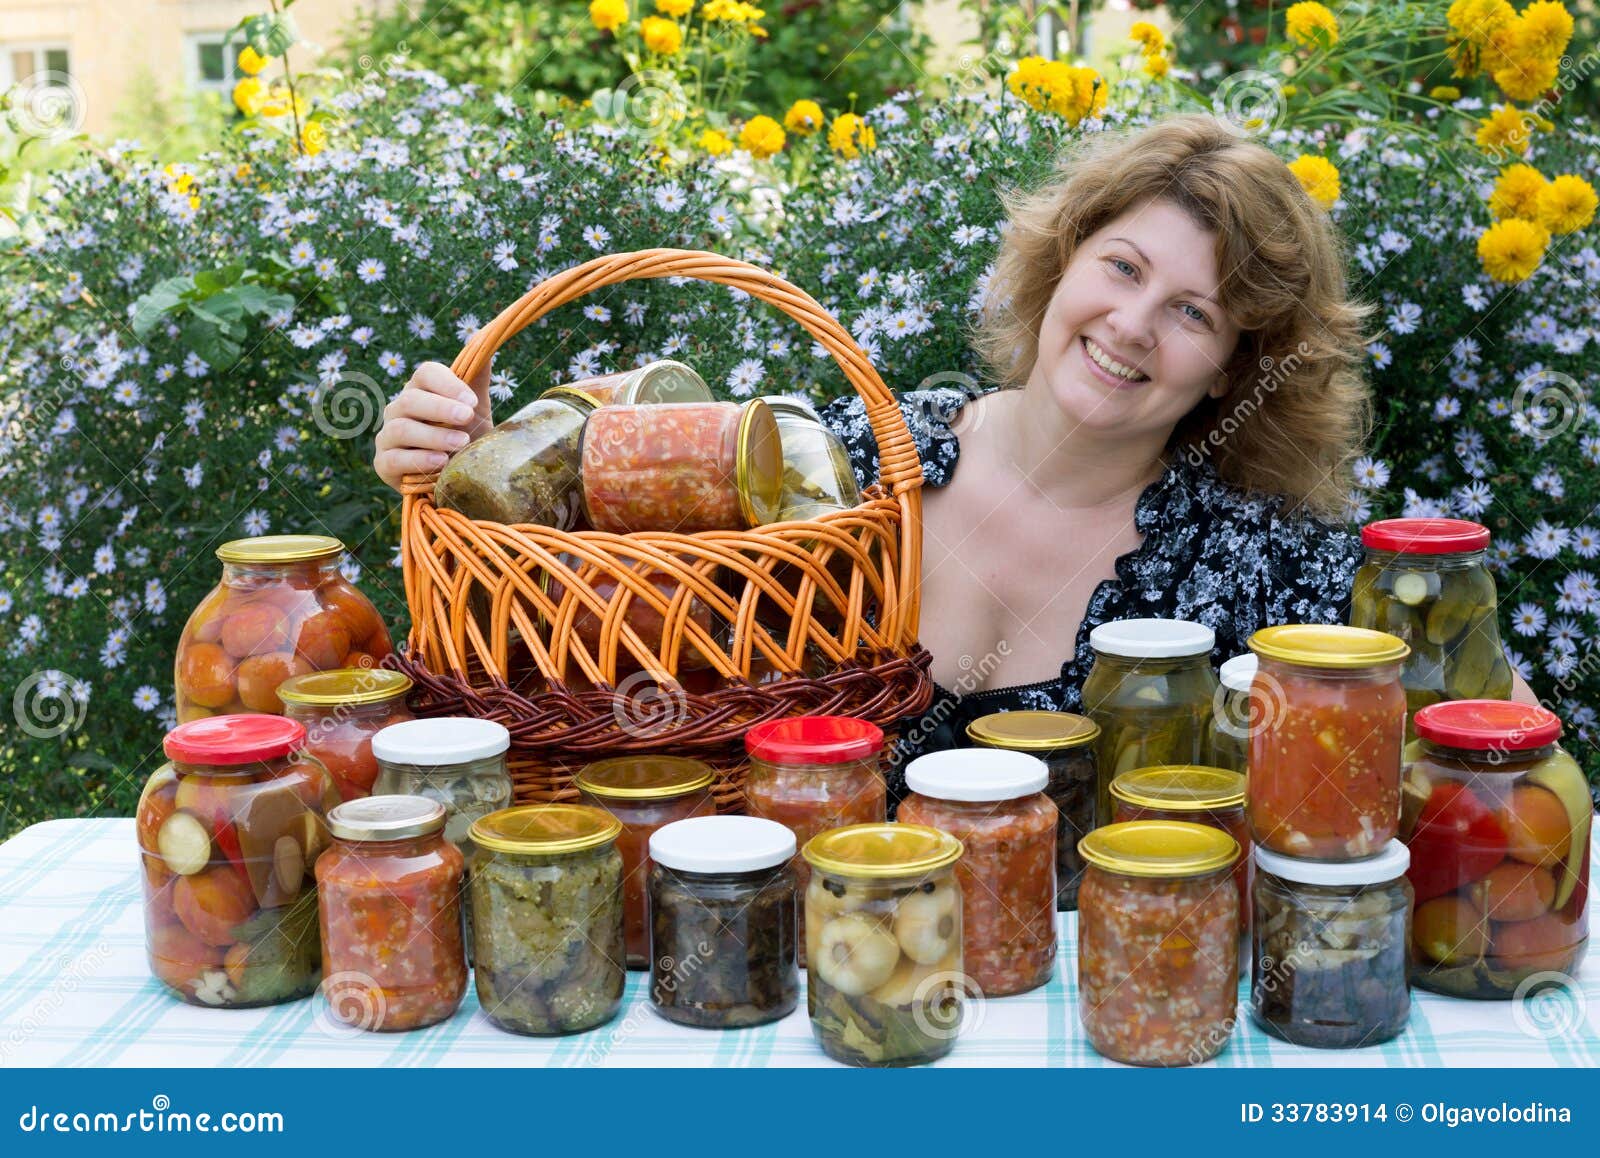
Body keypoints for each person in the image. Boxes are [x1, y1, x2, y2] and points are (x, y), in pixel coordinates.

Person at [374, 114, 1537, 799]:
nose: (1133, 325)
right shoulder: (841, 473)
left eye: (1195, 312)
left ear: (1235, 366)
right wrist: (468, 469)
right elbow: (590, 601)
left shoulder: (1265, 567)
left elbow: (1500, 736)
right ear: (1063, 262)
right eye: (1123, 269)